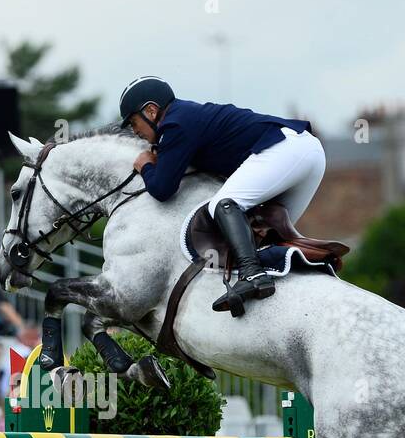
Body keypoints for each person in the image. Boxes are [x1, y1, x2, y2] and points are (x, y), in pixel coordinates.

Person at [118, 75, 325, 315]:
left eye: (134, 122)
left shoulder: (175, 124)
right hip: (307, 153)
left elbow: (163, 189)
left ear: (151, 111)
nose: (135, 131)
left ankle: (253, 274)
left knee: (221, 205)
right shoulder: (183, 118)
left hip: (286, 149)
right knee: (267, 233)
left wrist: (145, 165)